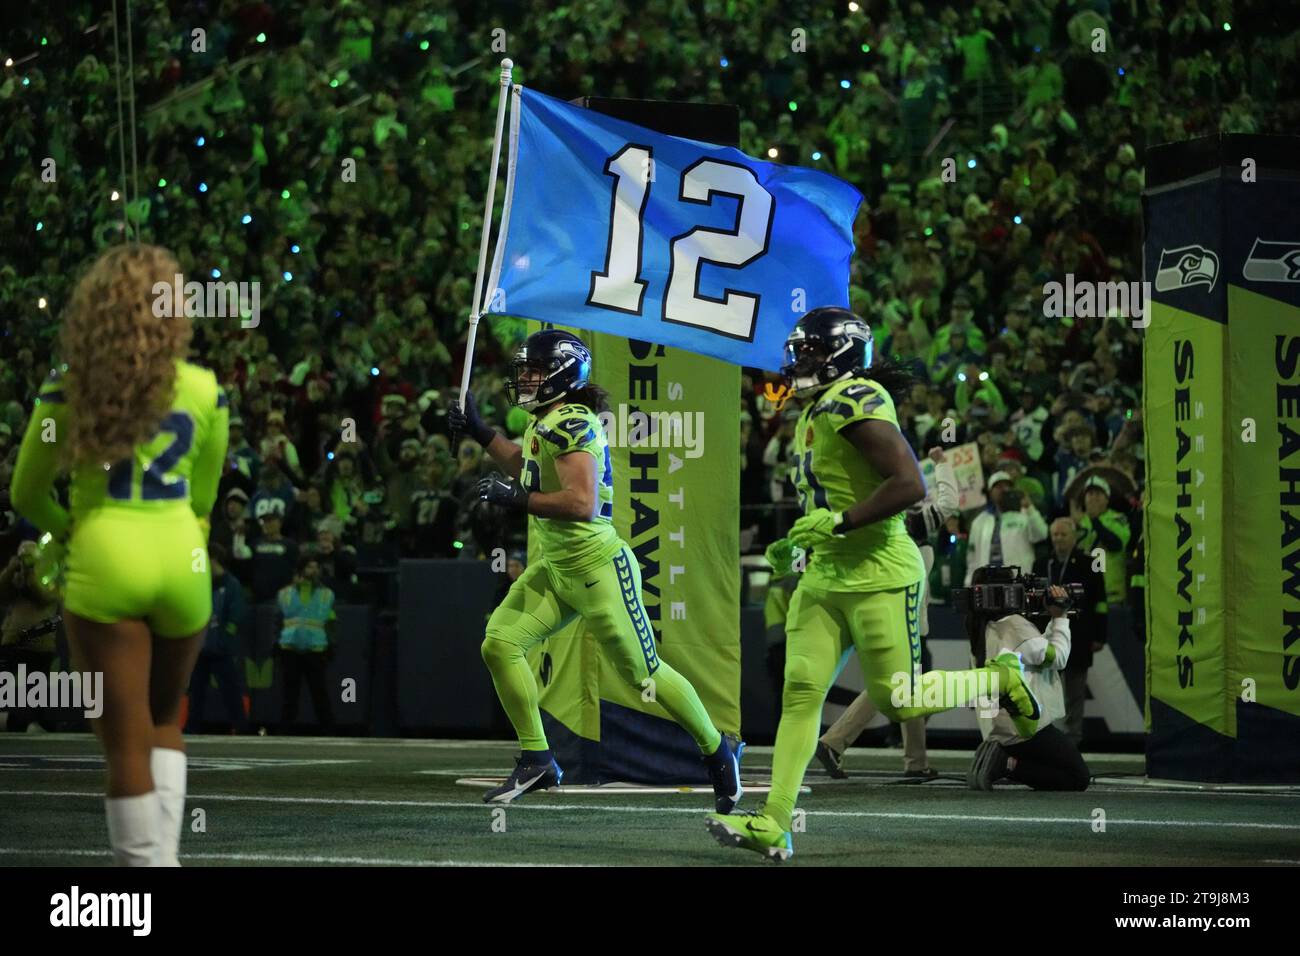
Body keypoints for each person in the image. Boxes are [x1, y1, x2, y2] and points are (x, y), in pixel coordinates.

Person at [706, 308, 1041, 861]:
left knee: (901, 699)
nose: (798, 360)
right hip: (825, 575)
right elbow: (830, 493)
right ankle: (774, 821)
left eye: (811, 351)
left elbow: (909, 483)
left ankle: (1002, 678)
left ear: (840, 355)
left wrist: (839, 523)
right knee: (801, 694)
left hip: (881, 571)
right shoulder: (814, 408)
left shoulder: (856, 399)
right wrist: (802, 541)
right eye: (800, 350)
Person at [450, 329, 743, 808]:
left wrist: (518, 500)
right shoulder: (547, 419)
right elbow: (529, 466)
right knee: (500, 644)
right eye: (522, 370)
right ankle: (537, 759)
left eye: (534, 371)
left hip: (596, 567)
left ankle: (717, 750)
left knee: (644, 672)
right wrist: (482, 433)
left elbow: (581, 503)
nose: (524, 379)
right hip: (559, 567)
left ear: (561, 374)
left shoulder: (571, 420)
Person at [9, 243, 228, 866]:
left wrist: (73, 529)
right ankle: (166, 862)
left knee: (124, 742)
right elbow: (204, 500)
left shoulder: (67, 382)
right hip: (182, 561)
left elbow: (27, 490)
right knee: (164, 720)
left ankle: (145, 877)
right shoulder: (205, 387)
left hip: (105, 557)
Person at [814, 444, 960, 779]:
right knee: (896, 686)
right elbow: (949, 502)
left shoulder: (879, 522)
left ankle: (915, 762)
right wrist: (942, 463)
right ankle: (834, 742)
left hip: (888, 614)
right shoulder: (911, 524)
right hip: (906, 622)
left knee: (906, 686)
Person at [965, 568, 1090, 792]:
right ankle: (1005, 764)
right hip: (1024, 728)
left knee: (1057, 765)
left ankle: (1002, 758)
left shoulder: (979, 626)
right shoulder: (1013, 625)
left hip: (998, 728)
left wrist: (1053, 619)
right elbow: (1057, 657)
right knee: (1077, 777)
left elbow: (1033, 651)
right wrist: (1060, 617)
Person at [1034, 517, 1108, 745]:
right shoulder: (1040, 563)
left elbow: (1100, 601)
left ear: (1074, 537)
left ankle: (1073, 739)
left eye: (1063, 534)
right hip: (1046, 635)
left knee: (1075, 692)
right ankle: (1046, 737)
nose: (1058, 539)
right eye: (1055, 534)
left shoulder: (1090, 562)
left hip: (1080, 634)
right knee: (1044, 687)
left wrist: (1099, 635)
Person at [185, 544, 249, 734]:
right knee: (196, 692)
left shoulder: (231, 585)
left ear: (214, 560)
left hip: (221, 649)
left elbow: (235, 615)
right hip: (201, 648)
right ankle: (192, 727)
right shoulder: (200, 583)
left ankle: (241, 728)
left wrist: (224, 640)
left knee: (231, 692)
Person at [275, 555, 336, 734]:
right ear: (301, 569)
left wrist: (331, 644)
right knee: (290, 694)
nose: (314, 570)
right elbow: (277, 620)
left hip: (316, 648)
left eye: (316, 567)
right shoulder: (285, 593)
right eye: (310, 566)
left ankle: (328, 731)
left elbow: (331, 622)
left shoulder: (327, 594)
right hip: (290, 647)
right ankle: (285, 731)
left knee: (320, 693)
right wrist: (275, 643)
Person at [965, 470, 1048, 584]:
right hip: (988, 582)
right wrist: (969, 582)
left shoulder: (1024, 513)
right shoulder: (979, 522)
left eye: (1007, 486)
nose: (1004, 490)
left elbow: (1041, 534)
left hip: (1018, 579)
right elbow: (972, 558)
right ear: (990, 492)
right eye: (998, 487)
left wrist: (1030, 508)